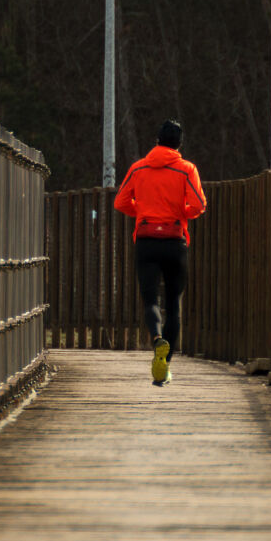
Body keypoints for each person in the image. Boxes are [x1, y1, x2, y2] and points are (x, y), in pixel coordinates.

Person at [112, 119, 206, 386]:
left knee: (150, 300)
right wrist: (180, 215)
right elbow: (199, 205)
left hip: (146, 240)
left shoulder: (138, 168)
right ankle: (164, 367)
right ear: (179, 144)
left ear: (156, 141)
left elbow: (120, 201)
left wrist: (142, 213)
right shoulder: (187, 169)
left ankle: (156, 338)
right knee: (174, 304)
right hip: (174, 241)